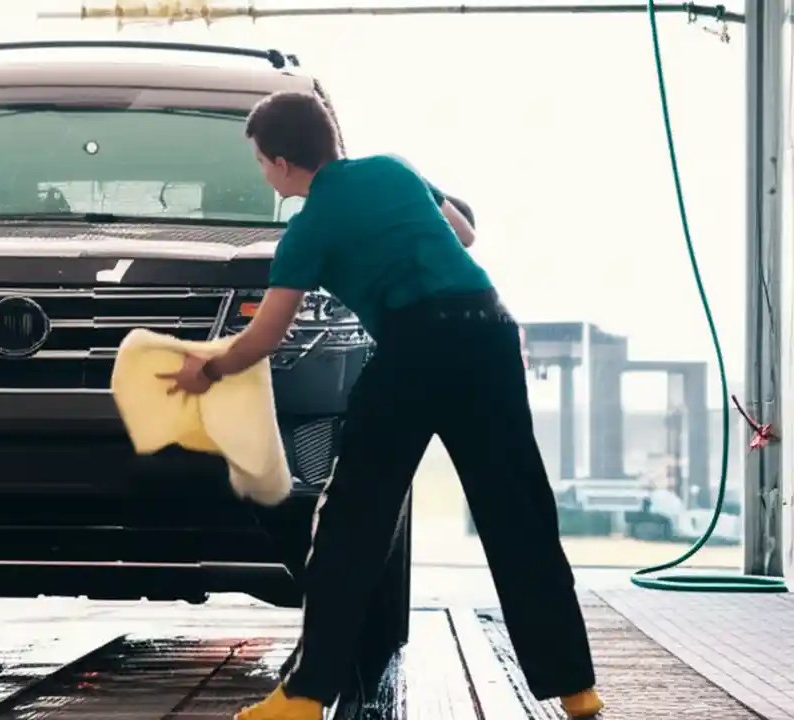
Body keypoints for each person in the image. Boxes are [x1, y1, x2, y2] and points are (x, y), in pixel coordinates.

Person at [158, 91, 604, 720]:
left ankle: (308, 696)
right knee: (519, 512)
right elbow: (465, 233)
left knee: (352, 519)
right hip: (490, 331)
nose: (262, 171)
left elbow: (267, 335)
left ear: (282, 165)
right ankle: (575, 688)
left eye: (261, 161)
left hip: (415, 346)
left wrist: (209, 369)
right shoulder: (393, 168)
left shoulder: (306, 229)